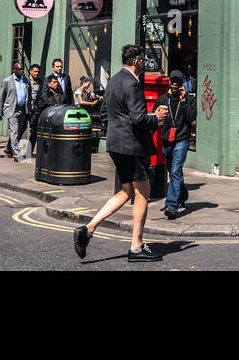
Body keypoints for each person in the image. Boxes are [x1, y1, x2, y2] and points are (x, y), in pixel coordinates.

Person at [74, 44, 165, 262]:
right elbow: (138, 119)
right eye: (142, 60)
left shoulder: (113, 80)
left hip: (116, 144)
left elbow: (105, 113)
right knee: (143, 192)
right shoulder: (132, 83)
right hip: (132, 146)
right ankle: (136, 247)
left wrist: (115, 131)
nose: (144, 63)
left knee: (126, 191)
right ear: (137, 61)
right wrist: (157, 118)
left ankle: (88, 229)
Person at [157, 71, 196, 220]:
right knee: (173, 171)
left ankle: (171, 206)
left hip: (182, 139)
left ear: (181, 83)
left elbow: (192, 117)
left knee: (175, 171)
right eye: (172, 80)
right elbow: (155, 117)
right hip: (166, 139)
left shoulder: (189, 99)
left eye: (177, 81)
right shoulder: (162, 99)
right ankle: (183, 194)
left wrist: (184, 100)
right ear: (169, 82)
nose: (174, 83)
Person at [0, 61, 30, 161]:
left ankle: (8, 148)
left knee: (19, 131)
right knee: (15, 131)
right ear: (14, 70)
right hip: (12, 109)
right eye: (19, 69)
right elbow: (1, 97)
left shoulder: (26, 80)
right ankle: (16, 154)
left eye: (22, 69)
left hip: (23, 109)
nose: (21, 71)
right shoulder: (7, 81)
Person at [25, 64, 44, 149]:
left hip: (34, 109)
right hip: (25, 108)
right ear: (30, 71)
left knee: (34, 131)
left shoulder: (40, 82)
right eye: (35, 71)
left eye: (38, 72)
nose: (37, 73)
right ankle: (9, 149)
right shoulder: (24, 80)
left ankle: (29, 151)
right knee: (20, 130)